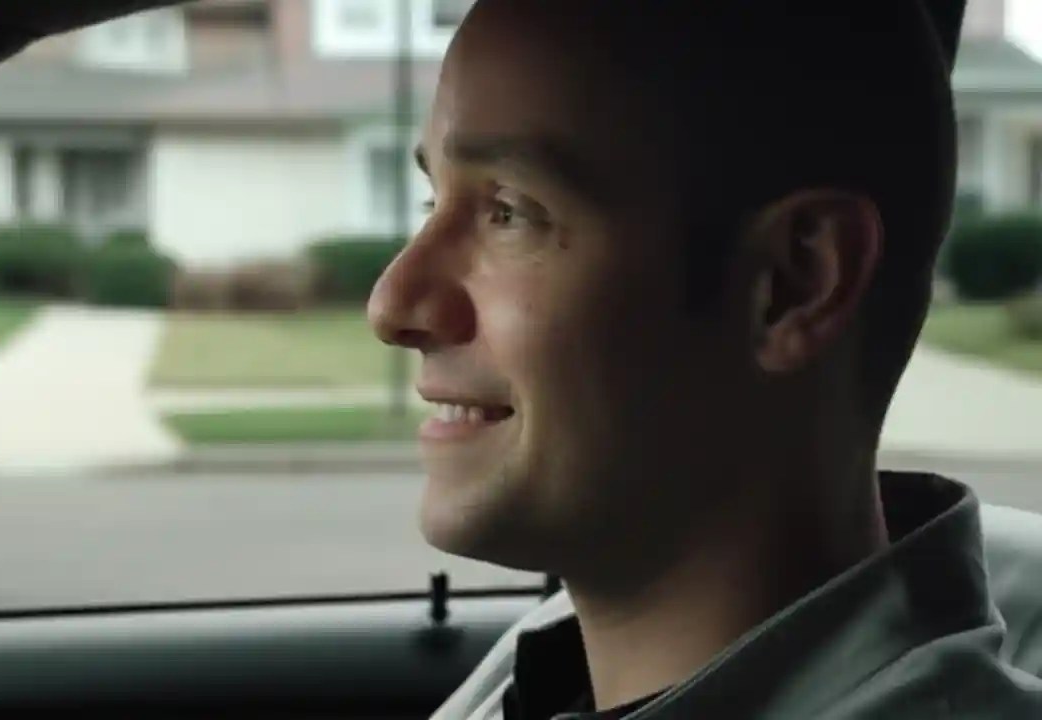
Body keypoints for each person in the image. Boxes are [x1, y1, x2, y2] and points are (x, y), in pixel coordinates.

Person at [366, 1, 1042, 718]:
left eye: (509, 210)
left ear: (794, 283)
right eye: (431, 199)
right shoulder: (540, 662)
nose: (393, 304)